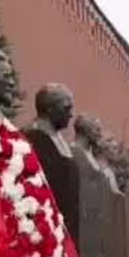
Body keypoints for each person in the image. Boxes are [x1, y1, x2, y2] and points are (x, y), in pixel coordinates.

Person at [26, 85, 83, 244]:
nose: (71, 114)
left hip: (68, 231)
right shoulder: (34, 138)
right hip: (47, 234)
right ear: (50, 109)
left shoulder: (59, 139)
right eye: (66, 108)